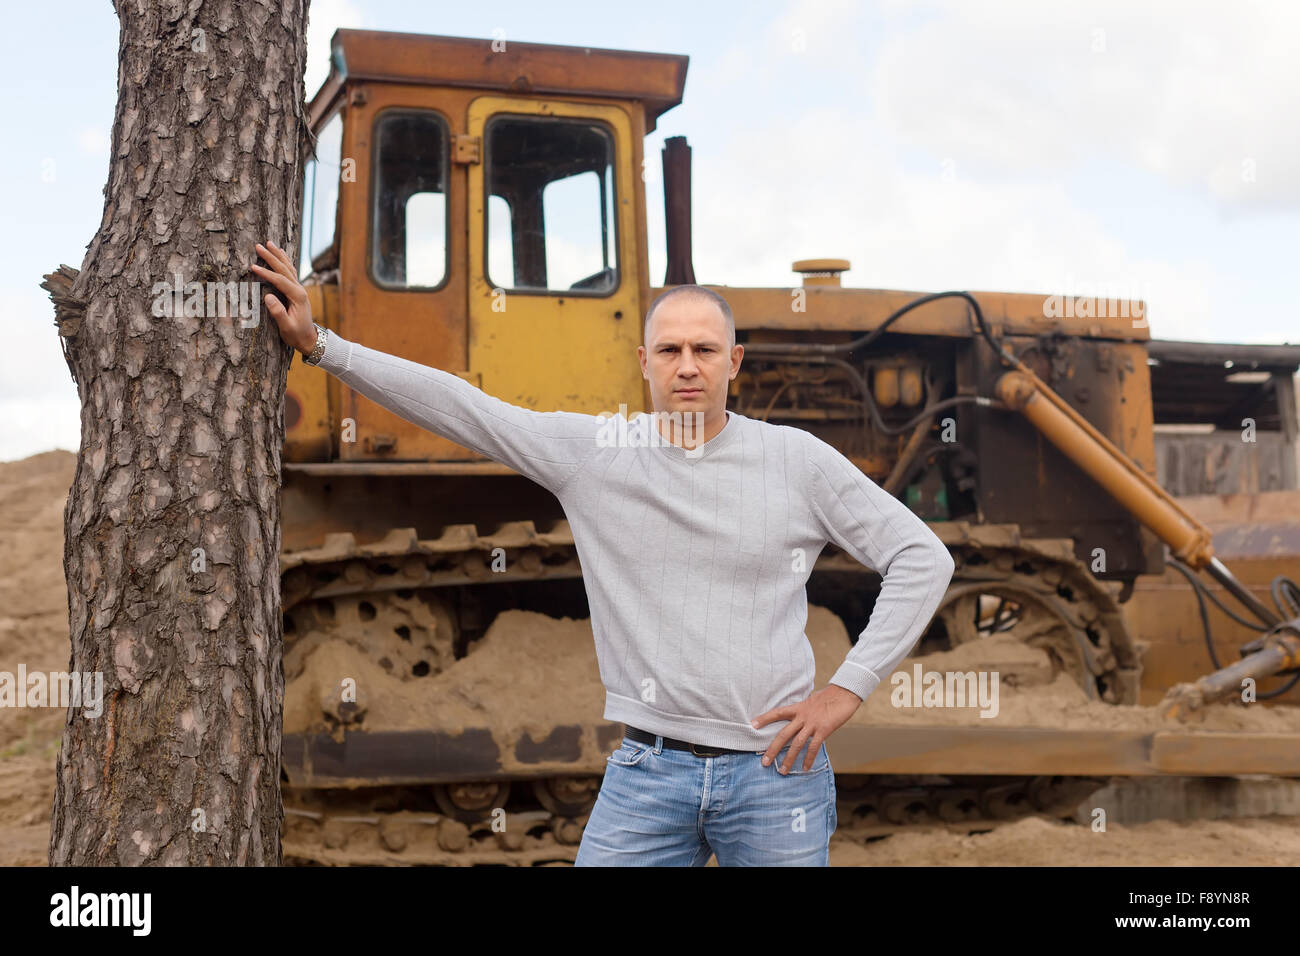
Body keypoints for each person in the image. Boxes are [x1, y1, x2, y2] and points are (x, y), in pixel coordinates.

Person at [252, 239, 955, 866]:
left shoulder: (795, 460)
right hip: (650, 774)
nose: (688, 367)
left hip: (775, 774)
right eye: (671, 351)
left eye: (705, 351)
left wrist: (846, 690)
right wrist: (322, 345)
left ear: (734, 362)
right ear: (644, 360)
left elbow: (923, 559)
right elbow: (465, 409)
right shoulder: (595, 456)